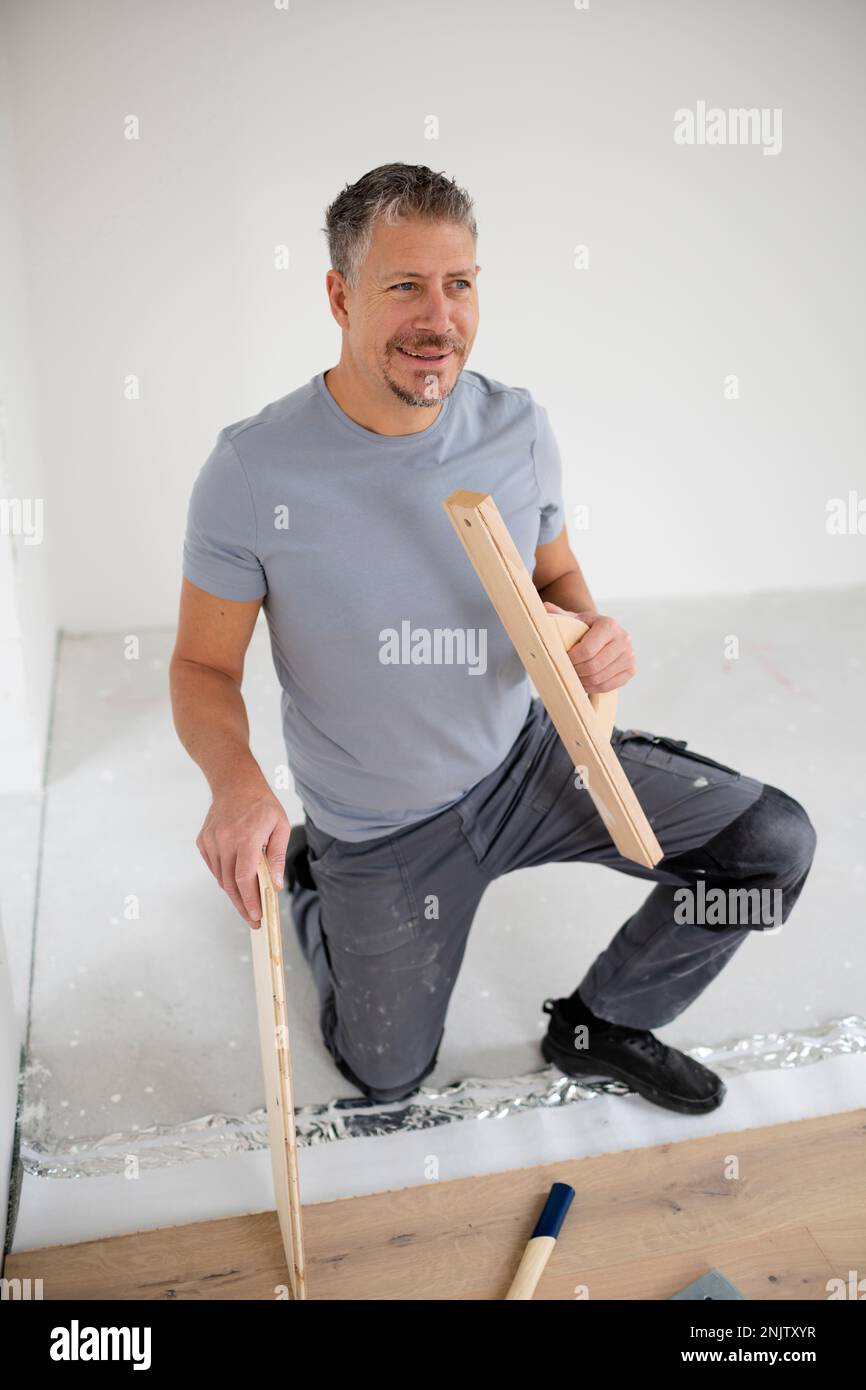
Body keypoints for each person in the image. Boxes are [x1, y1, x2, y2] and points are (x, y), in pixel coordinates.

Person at [170, 163, 816, 1114]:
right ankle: (317, 880)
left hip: (531, 762)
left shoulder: (515, 427)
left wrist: (593, 635)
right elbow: (199, 664)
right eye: (404, 286)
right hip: (381, 827)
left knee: (772, 847)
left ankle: (602, 1025)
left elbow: (555, 583)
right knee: (385, 1074)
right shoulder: (250, 470)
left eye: (459, 284)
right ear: (340, 296)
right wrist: (236, 785)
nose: (439, 318)